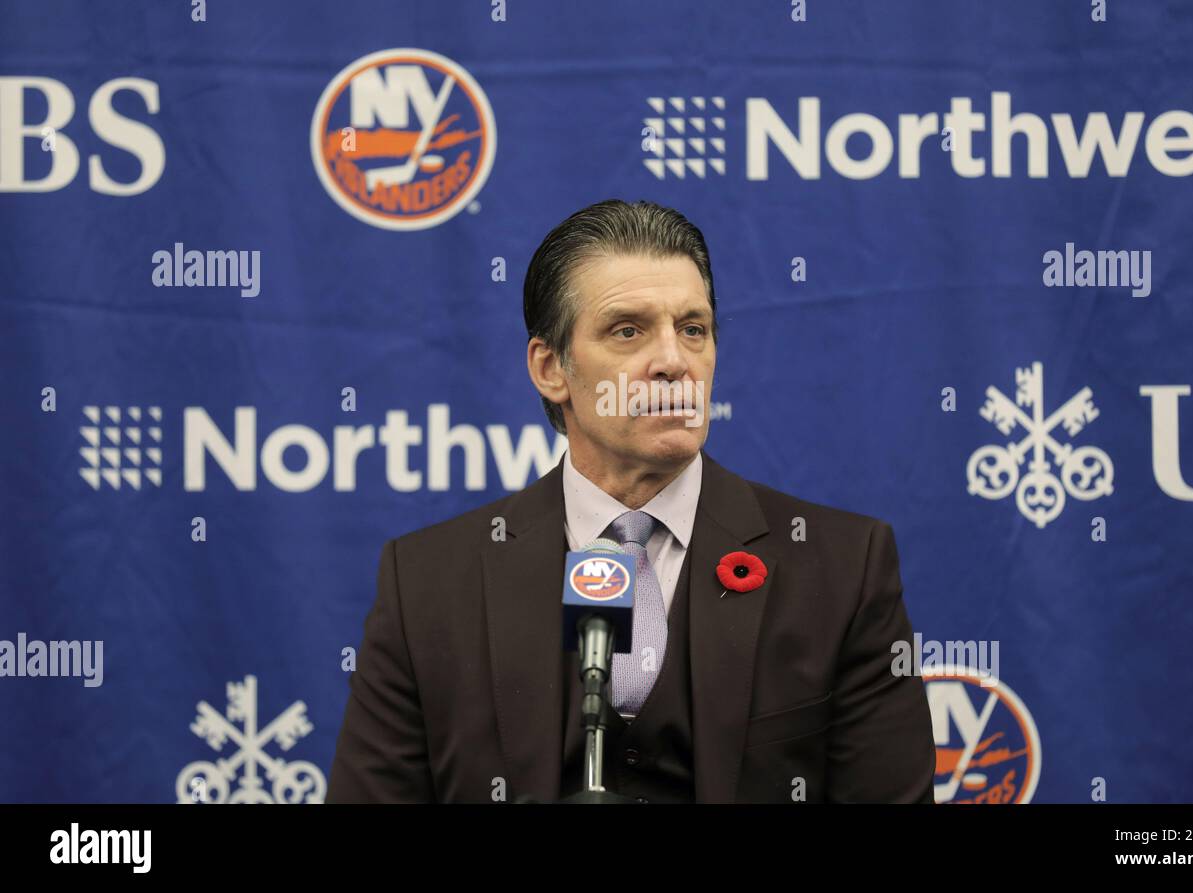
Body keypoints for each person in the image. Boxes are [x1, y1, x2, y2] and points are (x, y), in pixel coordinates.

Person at [326, 199, 935, 803]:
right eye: (628, 330)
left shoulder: (842, 568)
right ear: (550, 368)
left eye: (692, 329)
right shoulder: (427, 583)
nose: (673, 361)